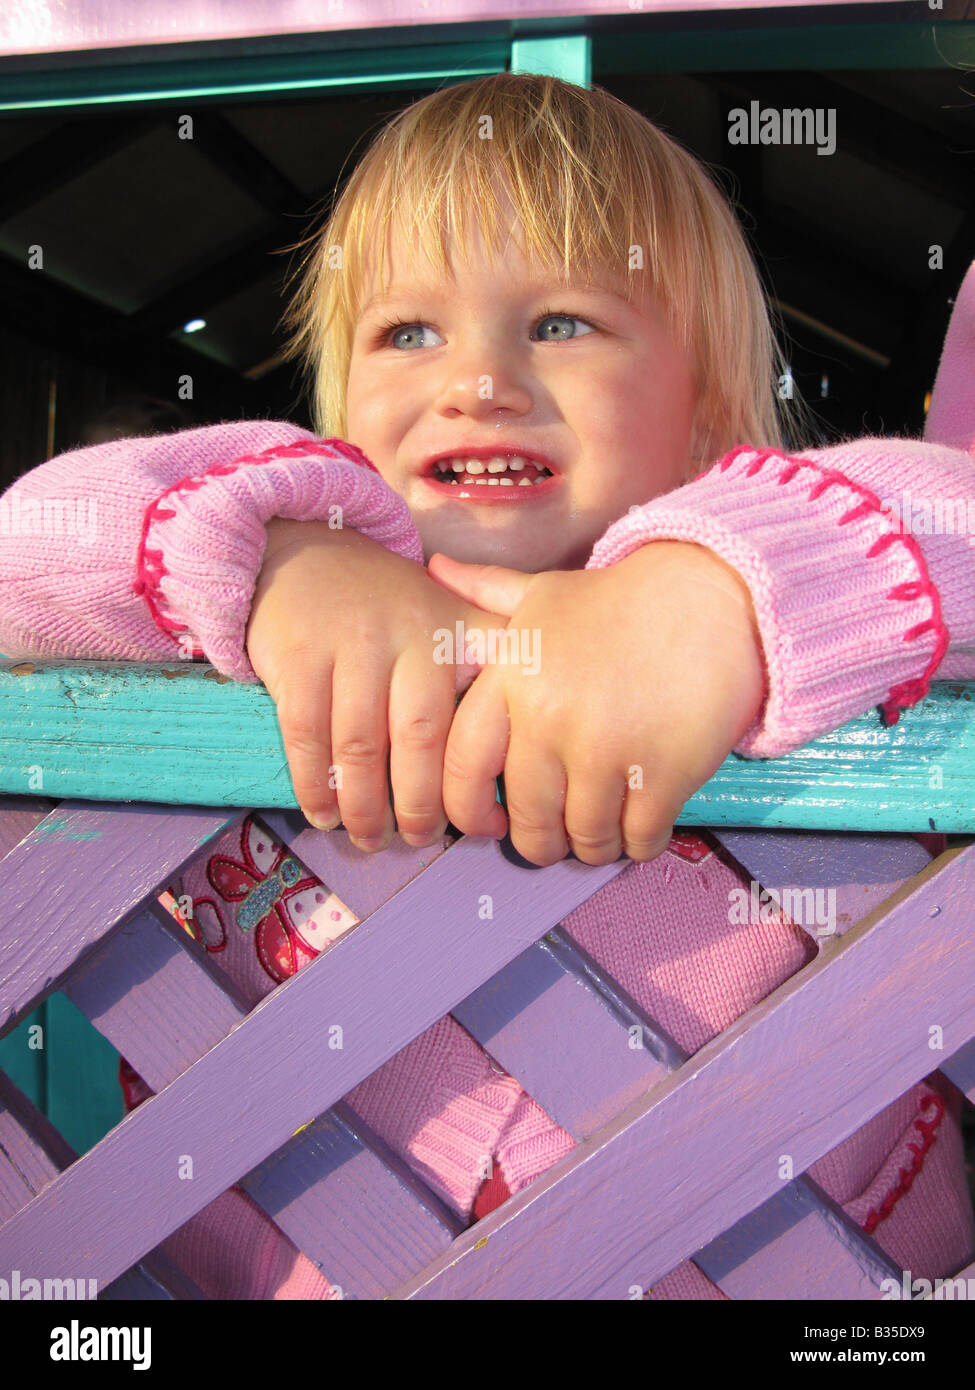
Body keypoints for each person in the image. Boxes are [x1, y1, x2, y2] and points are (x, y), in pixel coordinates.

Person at [1, 73, 974, 1300]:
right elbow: (27, 547)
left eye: (561, 321)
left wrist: (714, 590)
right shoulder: (252, 604)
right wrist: (280, 553)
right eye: (408, 332)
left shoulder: (781, 619)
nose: (478, 380)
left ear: (704, 422)